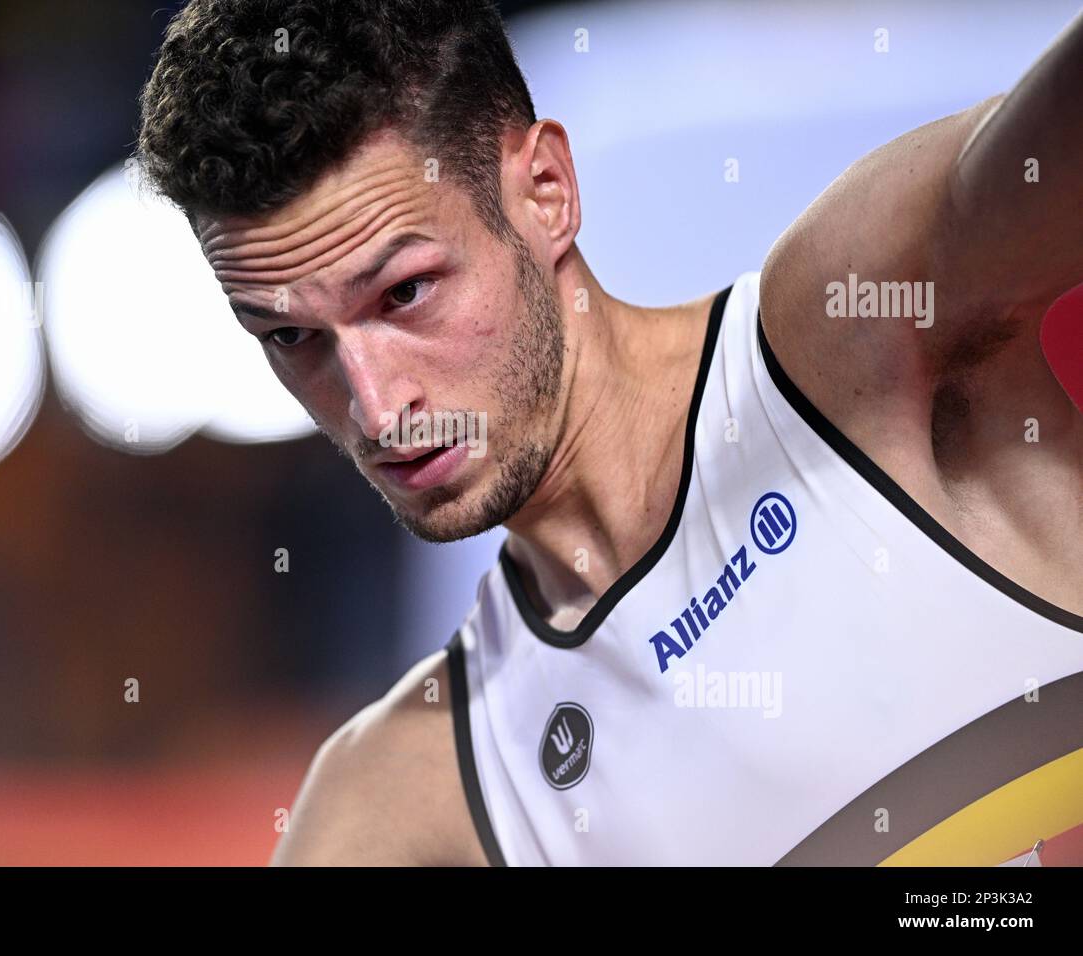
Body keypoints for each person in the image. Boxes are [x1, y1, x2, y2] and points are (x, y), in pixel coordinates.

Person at [136, 0, 1083, 865]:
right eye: (292, 338)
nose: (376, 410)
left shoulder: (849, 340)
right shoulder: (408, 799)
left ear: (546, 190)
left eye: (405, 292)